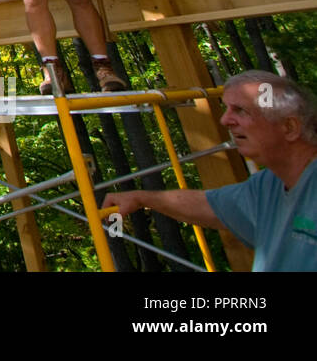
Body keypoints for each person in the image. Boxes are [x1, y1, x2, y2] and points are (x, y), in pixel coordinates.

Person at [103, 71, 317, 271]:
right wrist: (141, 198)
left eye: (241, 110)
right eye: (227, 109)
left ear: (289, 127)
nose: (225, 120)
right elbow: (209, 204)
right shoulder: (266, 185)